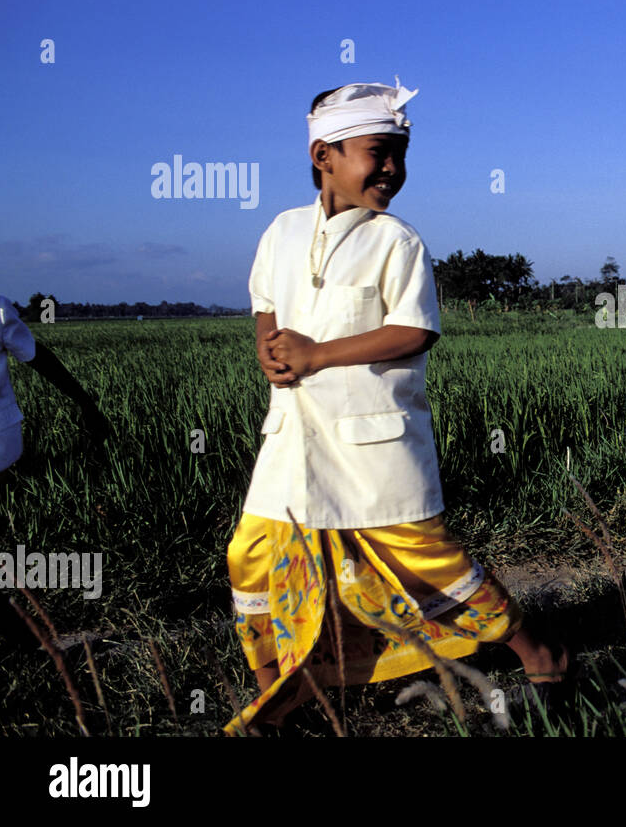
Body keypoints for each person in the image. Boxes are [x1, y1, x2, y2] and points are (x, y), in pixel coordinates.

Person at [225, 80, 566, 733]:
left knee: (428, 562)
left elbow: (415, 330)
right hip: (293, 438)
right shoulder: (282, 231)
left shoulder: (396, 241)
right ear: (324, 155)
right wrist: (270, 349)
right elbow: (265, 305)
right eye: (378, 152)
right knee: (255, 553)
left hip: (374, 445)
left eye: (400, 157)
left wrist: (317, 353)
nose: (392, 169)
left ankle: (540, 651)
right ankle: (281, 693)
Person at [0, 295, 110, 475]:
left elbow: (37, 356)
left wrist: (85, 403)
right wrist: (86, 403)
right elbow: (37, 357)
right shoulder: (0, 309)